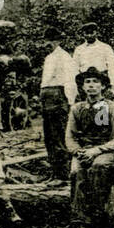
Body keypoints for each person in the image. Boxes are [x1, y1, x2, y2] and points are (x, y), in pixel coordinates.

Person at [65, 68, 114, 228]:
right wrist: (78, 152)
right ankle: (79, 224)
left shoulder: (112, 108)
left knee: (97, 168)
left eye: (95, 82)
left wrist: (97, 150)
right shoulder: (77, 109)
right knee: (77, 172)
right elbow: (70, 137)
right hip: (84, 152)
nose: (91, 85)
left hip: (106, 151)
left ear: (103, 86)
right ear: (83, 87)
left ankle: (94, 223)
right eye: (87, 82)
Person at [39, 27, 78, 183]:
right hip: (47, 97)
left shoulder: (64, 57)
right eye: (46, 41)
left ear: (58, 41)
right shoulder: (49, 58)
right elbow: (45, 81)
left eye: (51, 41)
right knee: (49, 137)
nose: (47, 44)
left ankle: (63, 174)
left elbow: (70, 81)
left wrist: (68, 102)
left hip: (58, 98)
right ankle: (54, 173)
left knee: (58, 136)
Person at [72, 21, 114, 93]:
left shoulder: (105, 47)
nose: (89, 35)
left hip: (101, 81)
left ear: (96, 33)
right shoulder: (79, 49)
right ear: (83, 34)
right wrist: (77, 86)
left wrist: (112, 86)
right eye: (87, 33)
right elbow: (74, 69)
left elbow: (112, 68)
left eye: (91, 33)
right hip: (84, 82)